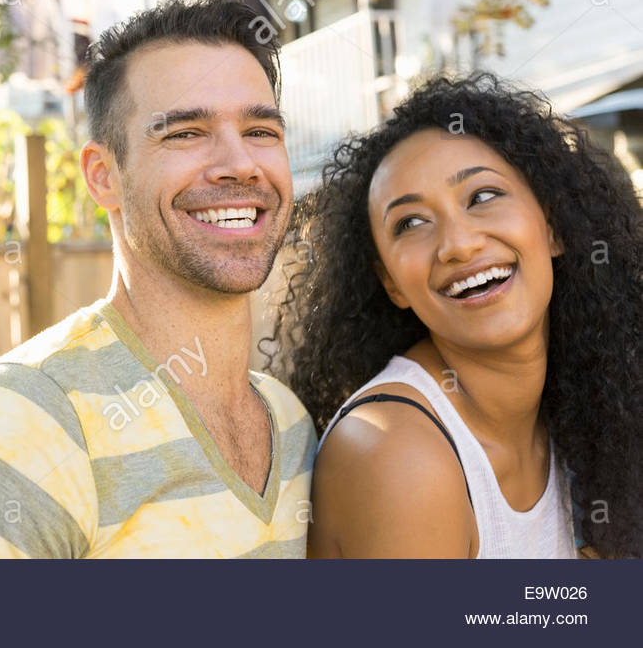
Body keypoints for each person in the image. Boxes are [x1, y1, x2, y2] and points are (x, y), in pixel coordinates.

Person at [0, 0, 317, 558]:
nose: (240, 163)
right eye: (185, 133)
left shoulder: (294, 426)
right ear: (103, 175)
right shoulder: (13, 428)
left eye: (261, 131)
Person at [272, 73, 643, 558]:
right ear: (391, 283)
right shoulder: (398, 454)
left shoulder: (579, 413)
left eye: (483, 197)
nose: (459, 244)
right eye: (411, 223)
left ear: (554, 227)